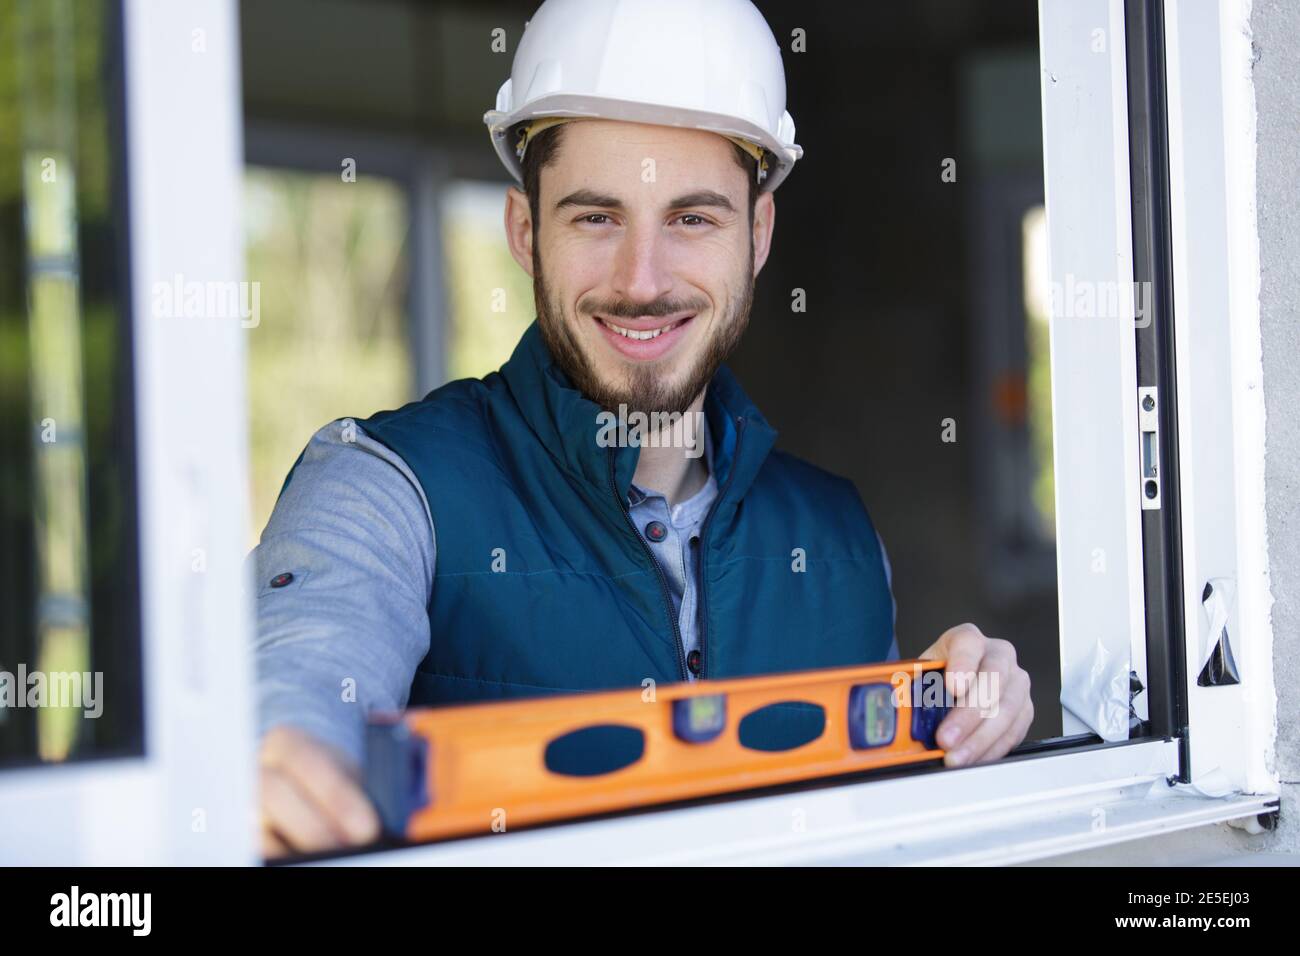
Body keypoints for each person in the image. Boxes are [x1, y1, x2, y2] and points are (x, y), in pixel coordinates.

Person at [252, 0, 1033, 858]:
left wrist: (958, 717)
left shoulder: (840, 539)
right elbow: (297, 677)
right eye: (596, 216)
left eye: (693, 218)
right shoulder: (386, 488)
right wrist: (279, 757)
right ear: (524, 229)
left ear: (758, 234)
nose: (642, 279)